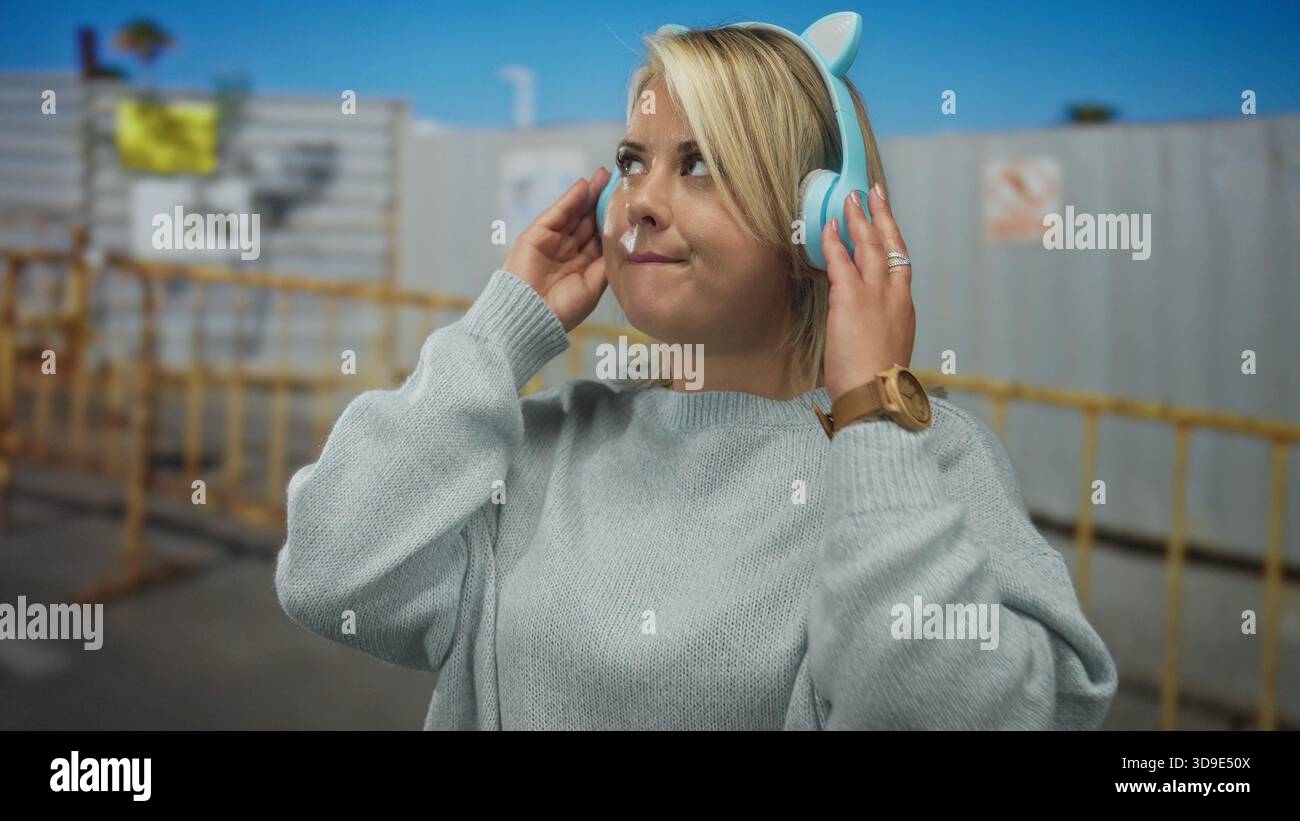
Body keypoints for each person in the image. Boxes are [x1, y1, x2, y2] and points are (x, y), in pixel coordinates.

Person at [274, 18, 1117, 730]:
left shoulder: (924, 456)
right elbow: (330, 571)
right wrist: (499, 333)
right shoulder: (538, 445)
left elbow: (938, 703)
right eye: (634, 161)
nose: (639, 200)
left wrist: (871, 414)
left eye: (701, 163)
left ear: (824, 213)